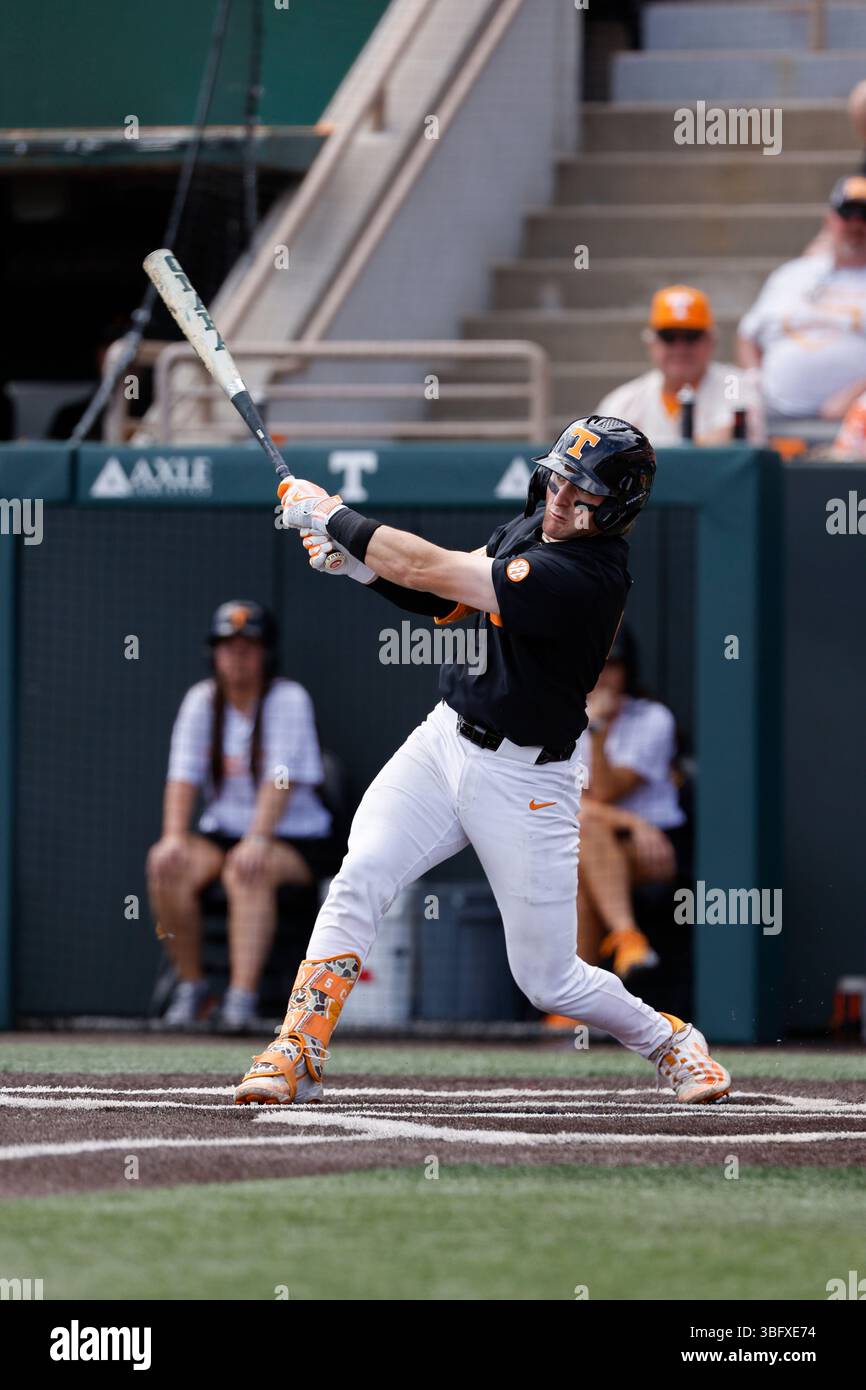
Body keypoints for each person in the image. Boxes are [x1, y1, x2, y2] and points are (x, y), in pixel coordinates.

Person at [233, 416, 731, 1107]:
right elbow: (444, 594)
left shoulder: (585, 575)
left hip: (529, 779)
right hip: (444, 744)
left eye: (581, 491)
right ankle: (298, 1044)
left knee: (547, 979)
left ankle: (670, 1040)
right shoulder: (541, 526)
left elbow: (427, 565)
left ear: (614, 507)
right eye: (559, 477)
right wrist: (354, 564)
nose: (560, 497)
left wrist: (332, 514)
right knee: (362, 875)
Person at [146, 600, 338, 1030]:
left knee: (246, 868)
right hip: (224, 833)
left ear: (266, 653)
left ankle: (241, 998)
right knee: (166, 863)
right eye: (228, 646)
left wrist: (257, 839)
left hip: (294, 837)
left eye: (248, 646)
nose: (237, 656)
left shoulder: (288, 698)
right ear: (213, 653)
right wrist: (174, 837)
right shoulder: (201, 700)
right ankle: (193, 988)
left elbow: (281, 780)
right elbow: (182, 778)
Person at [572, 628, 688, 981]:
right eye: (595, 664)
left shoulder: (653, 718)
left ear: (628, 670)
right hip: (614, 834)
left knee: (581, 839)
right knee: (577, 861)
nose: (602, 675)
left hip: (656, 847)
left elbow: (603, 792)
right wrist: (632, 821)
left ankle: (570, 1006)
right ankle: (628, 941)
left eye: (613, 665)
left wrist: (598, 728)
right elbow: (557, 800)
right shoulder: (560, 718)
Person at [738, 177, 866, 420]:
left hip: (855, 421)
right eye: (847, 213)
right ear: (829, 220)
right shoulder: (793, 274)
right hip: (773, 412)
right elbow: (748, 334)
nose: (856, 223)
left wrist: (857, 395)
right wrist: (755, 380)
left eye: (864, 215)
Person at [596, 286, 758, 445]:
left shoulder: (735, 385)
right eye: (669, 337)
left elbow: (741, 443)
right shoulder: (625, 402)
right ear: (651, 343)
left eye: (691, 336)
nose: (680, 348)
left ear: (710, 342)